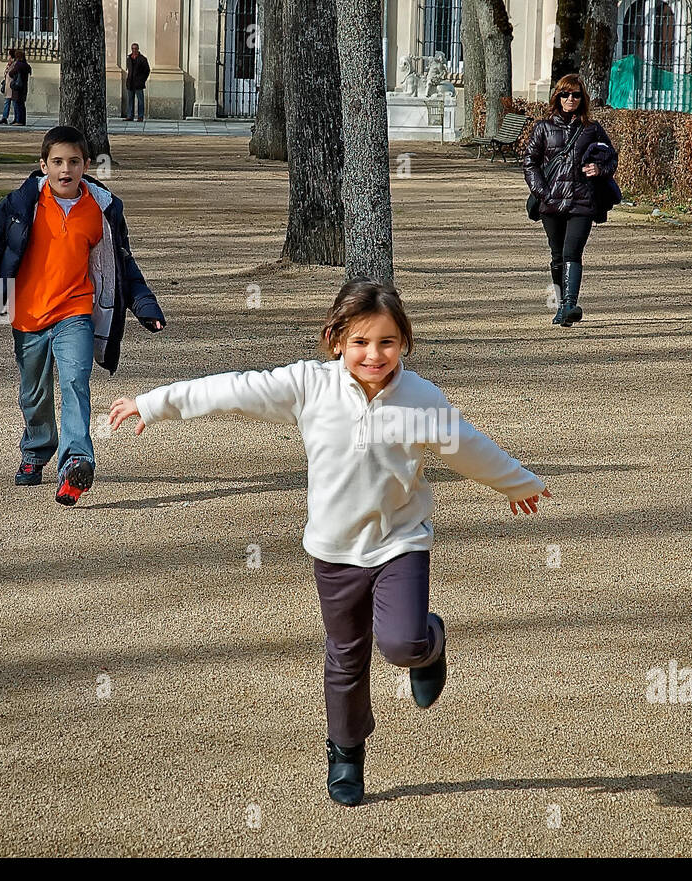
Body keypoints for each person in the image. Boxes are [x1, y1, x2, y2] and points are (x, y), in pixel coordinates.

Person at [106, 278, 551, 807]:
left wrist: (517, 481)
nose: (374, 354)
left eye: (387, 342)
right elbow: (231, 388)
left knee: (401, 643)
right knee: (345, 655)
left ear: (404, 343)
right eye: (361, 342)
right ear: (337, 340)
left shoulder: (421, 399)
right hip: (333, 550)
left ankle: (429, 644)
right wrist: (153, 403)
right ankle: (346, 752)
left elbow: (469, 447)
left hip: (399, 541)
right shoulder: (307, 386)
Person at [0, 125, 167, 504]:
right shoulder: (20, 205)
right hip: (28, 315)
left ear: (87, 165)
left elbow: (122, 264)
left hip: (75, 312)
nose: (66, 169)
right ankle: (35, 451)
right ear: (43, 164)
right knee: (34, 394)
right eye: (58, 161)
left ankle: (75, 463)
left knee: (76, 383)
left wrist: (144, 304)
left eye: (74, 162)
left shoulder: (101, 209)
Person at [524, 73, 618, 327]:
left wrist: (599, 170)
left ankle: (569, 306)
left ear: (582, 98)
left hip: (582, 202)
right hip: (551, 204)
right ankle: (560, 304)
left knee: (572, 253)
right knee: (557, 256)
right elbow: (530, 163)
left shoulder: (592, 129)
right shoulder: (543, 128)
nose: (570, 99)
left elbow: (611, 158)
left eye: (576, 94)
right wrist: (543, 192)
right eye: (565, 94)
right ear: (557, 97)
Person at [124, 43, 149, 122]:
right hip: (130, 82)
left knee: (140, 101)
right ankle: (130, 116)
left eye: (135, 48)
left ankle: (140, 116)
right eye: (133, 48)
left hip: (139, 83)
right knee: (130, 100)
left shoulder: (142, 59)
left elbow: (147, 71)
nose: (134, 50)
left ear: (138, 49)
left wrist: (142, 80)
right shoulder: (129, 58)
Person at [8, 49, 31, 126]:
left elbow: (11, 73)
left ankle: (18, 120)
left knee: (16, 104)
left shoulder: (18, 65)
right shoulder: (26, 65)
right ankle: (21, 120)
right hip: (23, 87)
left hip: (17, 87)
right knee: (21, 104)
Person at [0, 52, 15, 125]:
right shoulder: (9, 64)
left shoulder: (14, 64)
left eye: (9, 55)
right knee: (7, 102)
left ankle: (16, 118)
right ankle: (4, 117)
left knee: (14, 103)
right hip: (7, 86)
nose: (8, 56)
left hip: (11, 87)